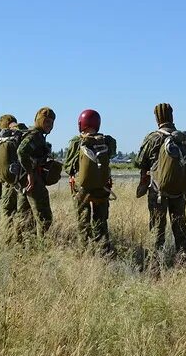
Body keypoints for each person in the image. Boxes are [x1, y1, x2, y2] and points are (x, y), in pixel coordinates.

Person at [135, 103, 186, 269]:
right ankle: (183, 267)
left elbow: (140, 161)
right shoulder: (184, 139)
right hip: (180, 192)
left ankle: (155, 269)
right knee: (181, 229)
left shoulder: (153, 138)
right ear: (171, 116)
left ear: (157, 118)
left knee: (157, 231)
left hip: (158, 191)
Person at [63, 109, 117, 255]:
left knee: (83, 221)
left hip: (82, 188)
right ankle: (103, 251)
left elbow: (68, 166)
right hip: (102, 186)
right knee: (101, 221)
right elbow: (111, 154)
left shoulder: (76, 142)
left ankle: (84, 252)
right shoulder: (108, 141)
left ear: (81, 123)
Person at [17, 107, 56, 239]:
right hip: (33, 179)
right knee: (44, 216)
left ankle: (22, 242)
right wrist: (30, 173)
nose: (49, 125)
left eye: (51, 122)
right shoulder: (35, 136)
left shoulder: (37, 135)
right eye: (46, 122)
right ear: (39, 121)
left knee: (24, 214)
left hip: (26, 179)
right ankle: (42, 245)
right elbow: (21, 151)